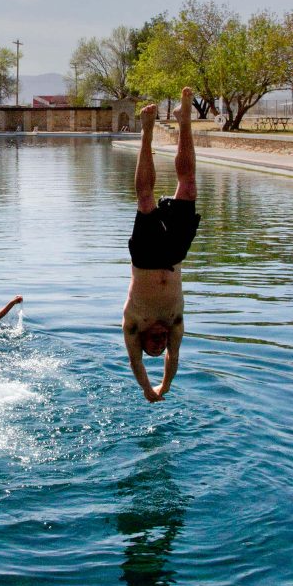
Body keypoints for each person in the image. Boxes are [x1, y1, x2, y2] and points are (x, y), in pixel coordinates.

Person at [122, 87, 201, 403]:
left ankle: (147, 131)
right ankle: (184, 121)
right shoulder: (176, 325)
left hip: (145, 257)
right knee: (189, 186)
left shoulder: (132, 324)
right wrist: (166, 386)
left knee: (145, 199)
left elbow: (135, 363)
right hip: (175, 254)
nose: (159, 344)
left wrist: (149, 388)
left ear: (141, 339)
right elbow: (175, 359)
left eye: (152, 346)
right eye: (161, 347)